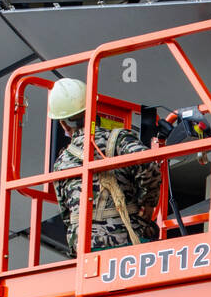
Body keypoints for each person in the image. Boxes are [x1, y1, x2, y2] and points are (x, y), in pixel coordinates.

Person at [47, 77, 160, 258]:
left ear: (63, 123)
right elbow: (148, 163)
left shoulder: (61, 163)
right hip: (127, 238)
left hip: (86, 246)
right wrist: (149, 202)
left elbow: (67, 215)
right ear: (94, 109)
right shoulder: (120, 140)